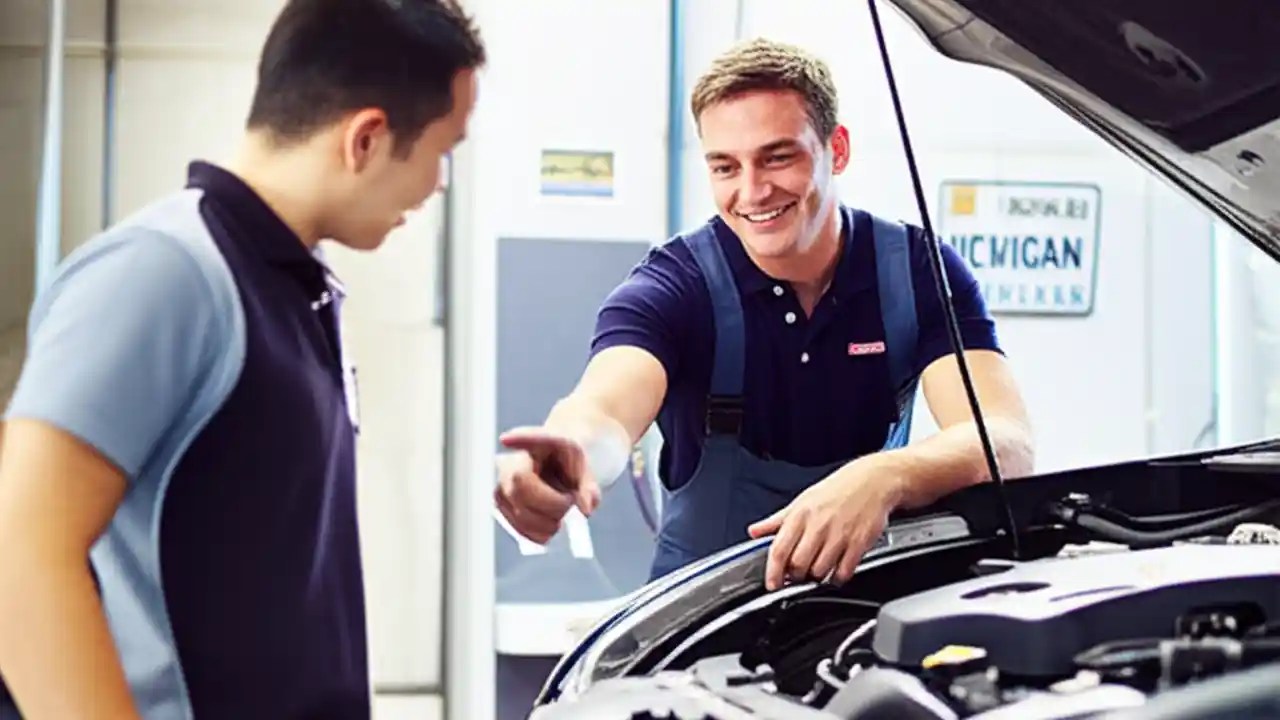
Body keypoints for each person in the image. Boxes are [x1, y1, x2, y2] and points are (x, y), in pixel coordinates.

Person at [0, 0, 483, 717]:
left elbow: (243, 500)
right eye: (444, 152)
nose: (438, 184)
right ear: (367, 139)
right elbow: (20, 552)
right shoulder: (164, 271)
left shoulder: (291, 282)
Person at [495, 38, 1034, 591]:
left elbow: (1004, 439)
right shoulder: (675, 287)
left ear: (837, 149)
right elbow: (604, 410)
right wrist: (571, 455)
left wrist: (886, 475)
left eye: (778, 157)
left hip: (862, 607)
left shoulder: (918, 272)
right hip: (701, 619)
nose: (751, 192)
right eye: (725, 167)